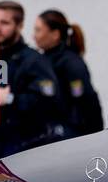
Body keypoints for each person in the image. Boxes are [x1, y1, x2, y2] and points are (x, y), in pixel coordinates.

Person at [0, 0, 60, 160]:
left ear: (19, 25)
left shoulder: (34, 61)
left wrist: (10, 98)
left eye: (4, 23)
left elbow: (47, 102)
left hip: (24, 148)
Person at [32, 9, 103, 139]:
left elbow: (82, 98)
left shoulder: (71, 63)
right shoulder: (44, 60)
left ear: (55, 34)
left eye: (38, 30)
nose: (33, 36)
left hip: (73, 137)